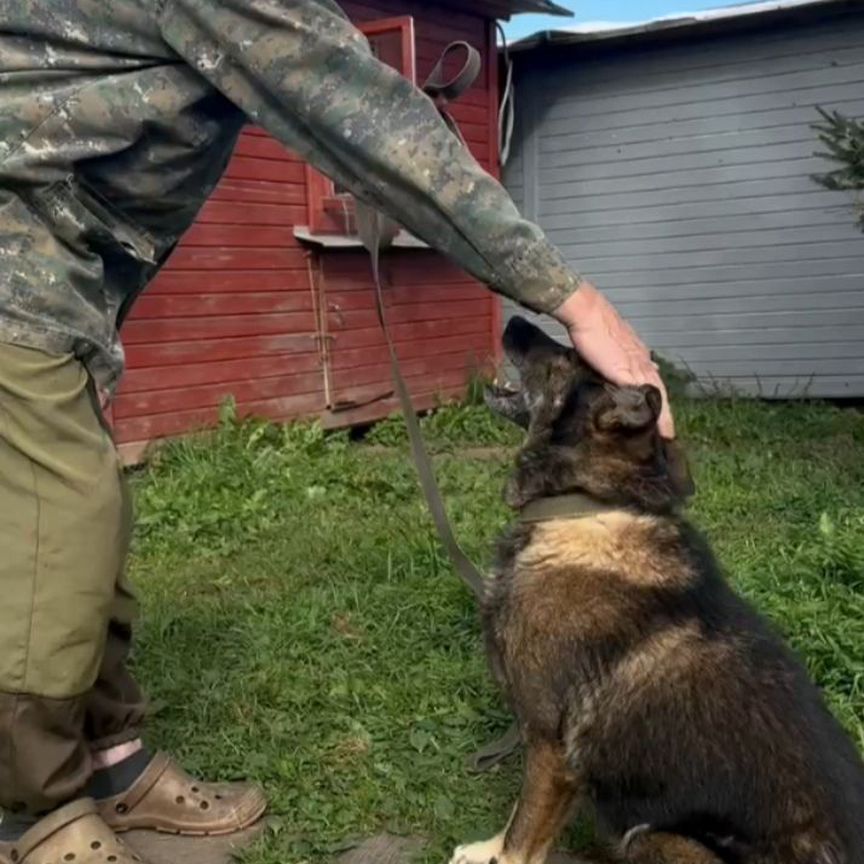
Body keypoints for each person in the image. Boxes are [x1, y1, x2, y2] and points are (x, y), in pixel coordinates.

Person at [0, 1, 675, 861]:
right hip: (15, 260)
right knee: (53, 531)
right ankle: (28, 815)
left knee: (87, 522)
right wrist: (574, 301)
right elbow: (365, 115)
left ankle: (109, 766)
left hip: (63, 278)